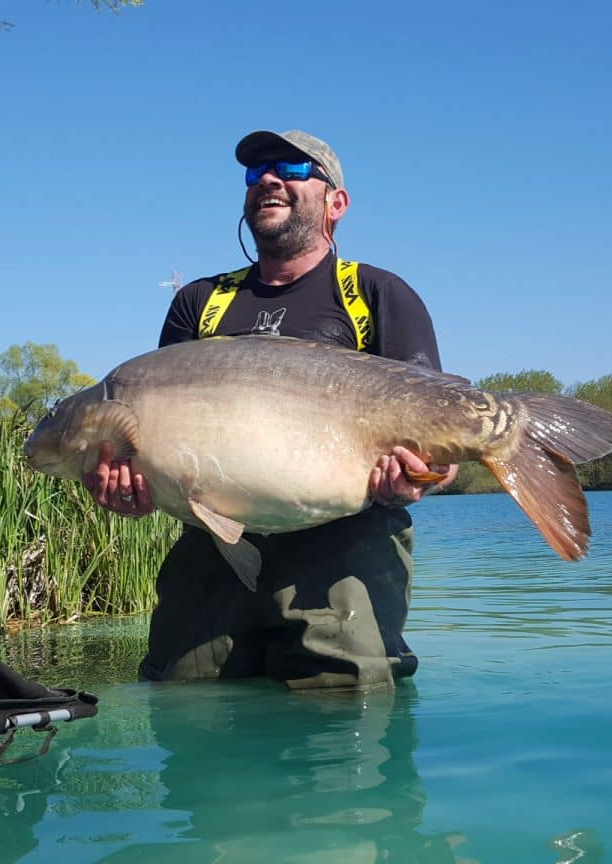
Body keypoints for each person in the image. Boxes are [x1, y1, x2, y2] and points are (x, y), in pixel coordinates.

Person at [85, 129, 458, 690]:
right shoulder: (199, 302)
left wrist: (421, 476)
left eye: (291, 167)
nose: (267, 178)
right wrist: (133, 491)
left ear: (337, 203)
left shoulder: (377, 294)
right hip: (212, 554)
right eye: (255, 172)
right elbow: (160, 446)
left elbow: (442, 443)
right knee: (185, 716)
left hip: (347, 555)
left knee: (345, 740)